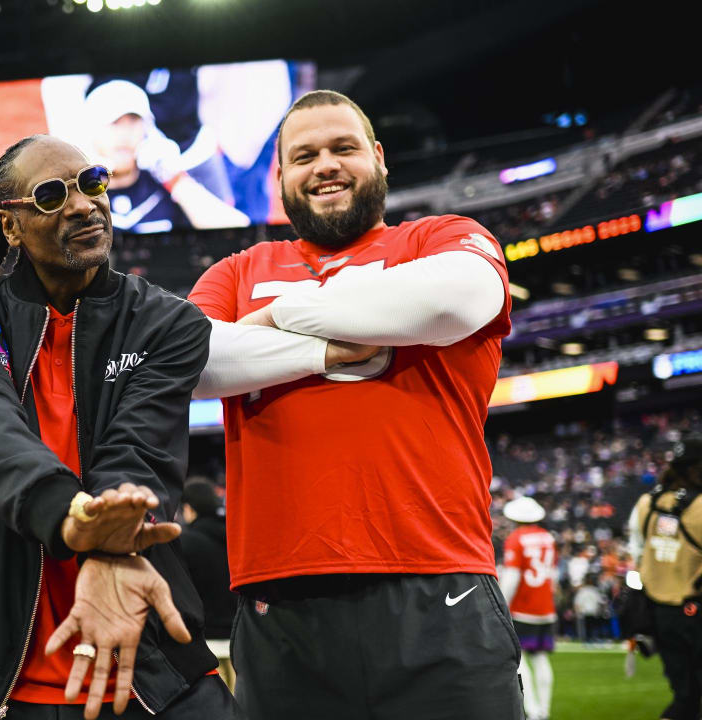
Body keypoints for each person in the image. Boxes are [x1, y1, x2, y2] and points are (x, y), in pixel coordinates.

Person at [188, 89, 523, 720]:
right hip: (280, 603)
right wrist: (326, 351)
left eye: (343, 148)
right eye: (304, 155)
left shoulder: (440, 237)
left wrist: (280, 318)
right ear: (279, 176)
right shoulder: (235, 269)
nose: (325, 166)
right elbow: (192, 363)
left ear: (378, 157)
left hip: (438, 587)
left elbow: (457, 299)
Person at [0, 135, 236, 720]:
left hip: (146, 657)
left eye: (92, 183)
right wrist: (71, 517)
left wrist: (106, 532)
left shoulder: (171, 321)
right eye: (54, 194)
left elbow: (139, 451)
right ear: (10, 227)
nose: (84, 204)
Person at [84, 80, 249, 233]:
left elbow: (237, 229)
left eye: (134, 121)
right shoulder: (79, 193)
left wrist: (174, 179)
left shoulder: (164, 183)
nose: (125, 134)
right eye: (114, 123)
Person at [628, 436, 702, 720]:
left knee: (684, 696)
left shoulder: (647, 504)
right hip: (694, 608)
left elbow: (636, 556)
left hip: (660, 612)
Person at [500, 496, 558, 720]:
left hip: (522, 609)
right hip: (545, 608)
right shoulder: (548, 538)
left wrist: (503, 605)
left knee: (520, 660)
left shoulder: (516, 538)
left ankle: (532, 711)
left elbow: (512, 577)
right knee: (541, 659)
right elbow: (551, 576)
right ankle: (544, 710)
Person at [178, 480, 234, 640]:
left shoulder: (186, 542)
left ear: (189, 508)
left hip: (203, 639)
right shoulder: (236, 540)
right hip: (239, 637)